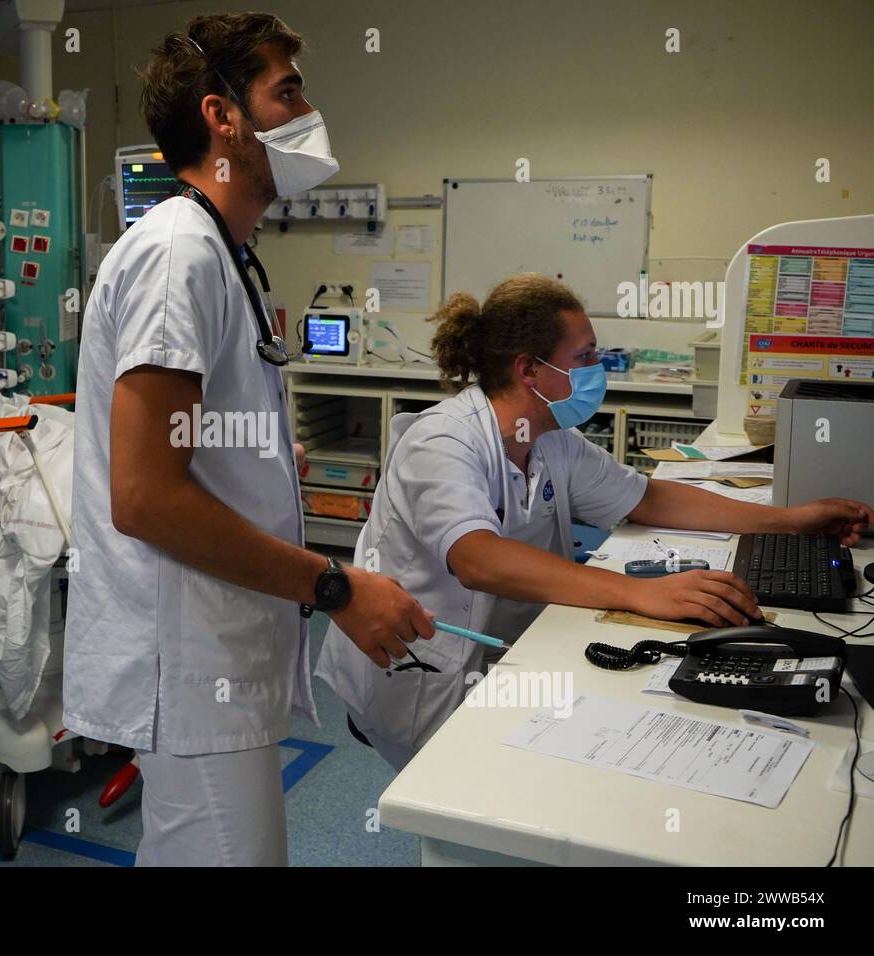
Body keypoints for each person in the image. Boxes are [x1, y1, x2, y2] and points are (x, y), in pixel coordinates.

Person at [62, 12, 434, 866]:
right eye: (287, 90)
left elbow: (196, 453)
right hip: (188, 663)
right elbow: (147, 497)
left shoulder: (217, 252)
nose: (308, 111)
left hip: (215, 651)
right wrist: (335, 586)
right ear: (223, 115)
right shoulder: (176, 257)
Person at [315, 273, 872, 772]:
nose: (596, 372)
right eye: (584, 358)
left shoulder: (553, 438)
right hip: (416, 668)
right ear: (529, 370)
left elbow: (648, 499)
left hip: (496, 652)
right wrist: (638, 593)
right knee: (450, 796)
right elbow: (477, 559)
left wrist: (791, 521)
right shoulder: (443, 440)